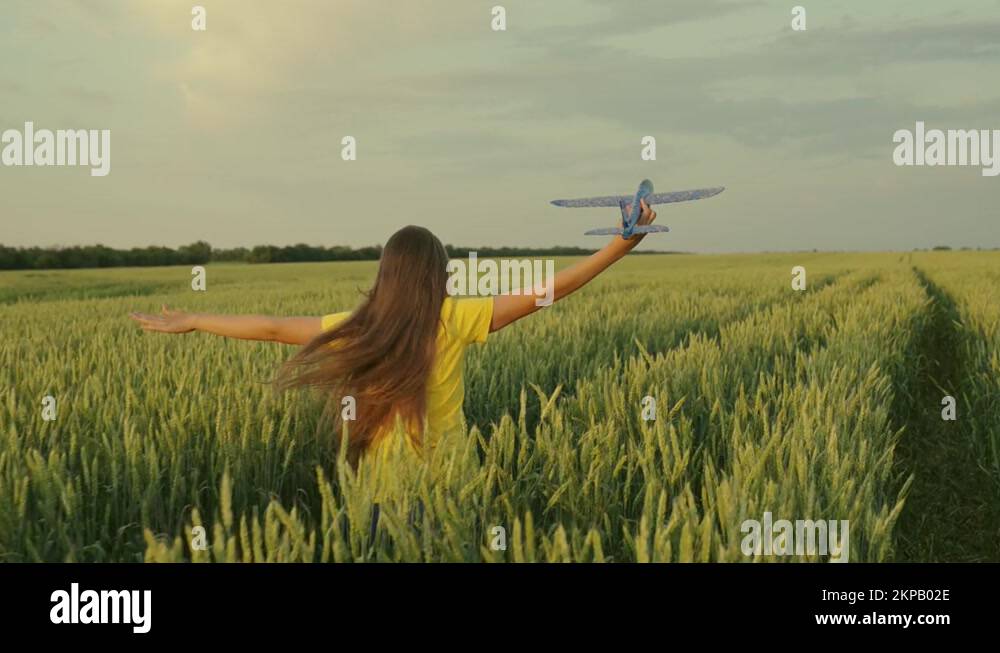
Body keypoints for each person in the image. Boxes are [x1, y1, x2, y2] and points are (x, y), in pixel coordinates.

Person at [129, 200, 657, 465]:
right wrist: (618, 247)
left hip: (381, 493)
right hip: (450, 480)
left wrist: (195, 319)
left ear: (386, 274)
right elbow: (550, 290)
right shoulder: (454, 318)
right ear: (439, 274)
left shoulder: (359, 327)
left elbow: (270, 327)